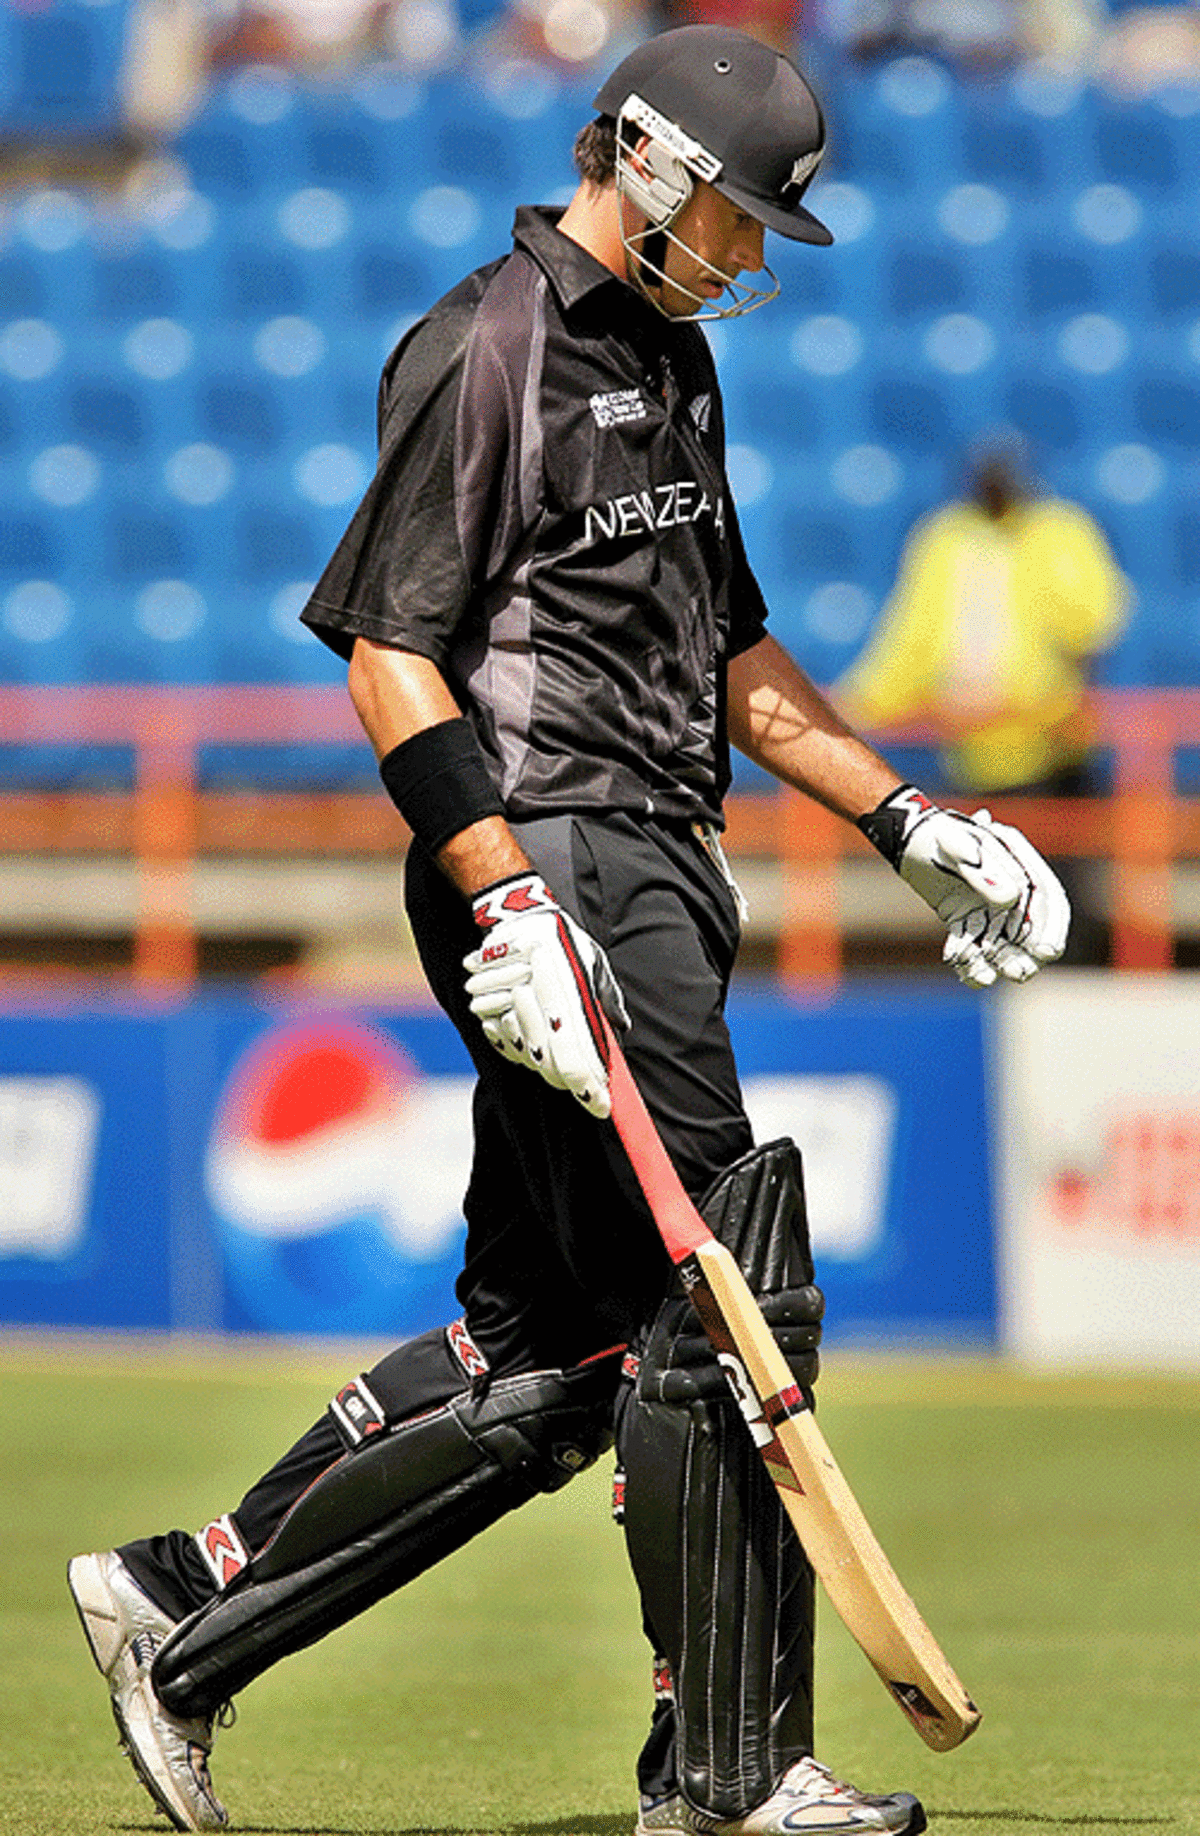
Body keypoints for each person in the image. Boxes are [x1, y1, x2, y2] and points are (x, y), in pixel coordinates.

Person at [67, 26, 1069, 1836]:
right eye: (745, 217)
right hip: (558, 870)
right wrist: (506, 897)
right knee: (726, 1288)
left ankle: (179, 1606)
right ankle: (731, 1774)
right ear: (655, 167)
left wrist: (907, 818)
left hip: (653, 861)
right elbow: (389, 655)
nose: (755, 255)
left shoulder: (673, 356)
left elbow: (736, 656)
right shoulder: (487, 345)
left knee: (551, 1366)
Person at [835, 436, 1127, 959]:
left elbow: (1092, 625)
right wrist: (859, 704)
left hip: (1050, 751)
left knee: (1061, 900)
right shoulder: (944, 539)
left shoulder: (1060, 532)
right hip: (973, 753)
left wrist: (1062, 701)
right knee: (985, 903)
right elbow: (912, 637)